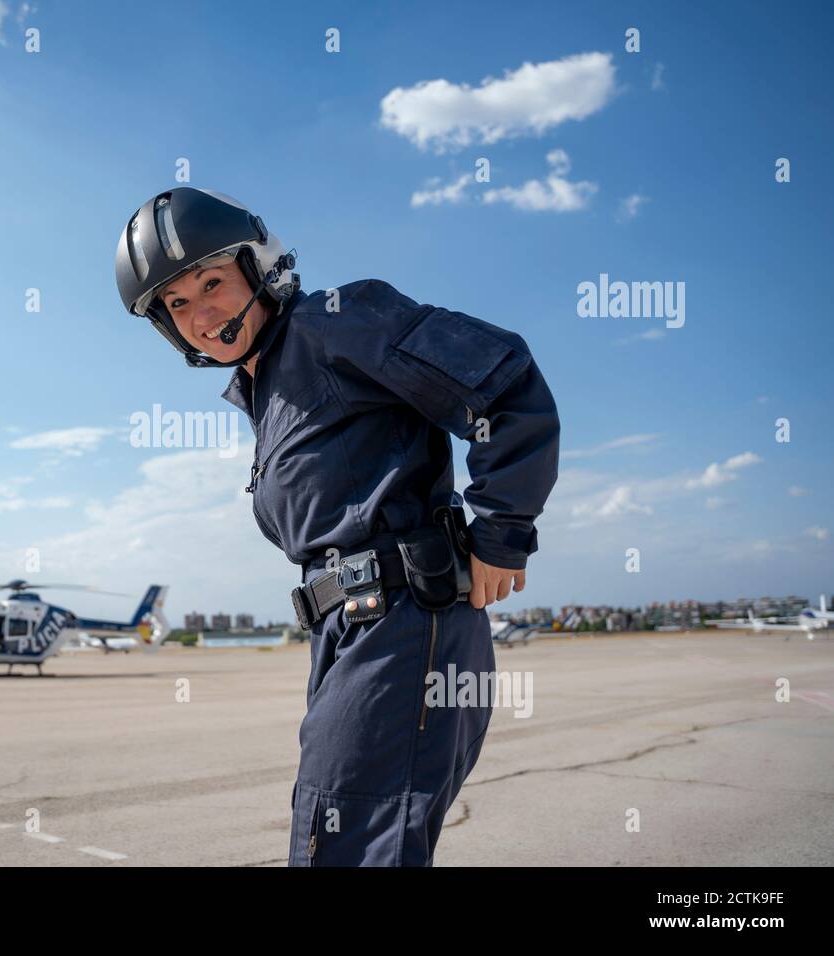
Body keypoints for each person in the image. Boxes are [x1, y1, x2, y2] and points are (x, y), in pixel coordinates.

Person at [114, 187, 561, 866]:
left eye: (213, 282)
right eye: (178, 303)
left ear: (258, 269)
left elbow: (502, 380)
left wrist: (503, 528)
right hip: (348, 633)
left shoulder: (336, 320)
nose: (202, 313)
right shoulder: (265, 393)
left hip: (404, 621)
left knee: (348, 840)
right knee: (335, 831)